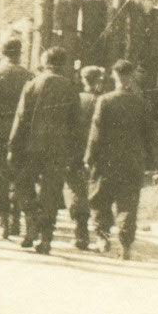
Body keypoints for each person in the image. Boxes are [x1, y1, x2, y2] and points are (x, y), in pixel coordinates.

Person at [8, 47, 84, 255]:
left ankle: (31, 220)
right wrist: (76, 153)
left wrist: (13, 147)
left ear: (44, 62)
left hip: (32, 147)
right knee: (51, 191)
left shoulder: (32, 84)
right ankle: (46, 239)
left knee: (23, 183)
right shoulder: (70, 88)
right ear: (63, 64)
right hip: (59, 149)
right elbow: (76, 125)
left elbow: (21, 118)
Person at [87, 59, 150, 260]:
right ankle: (125, 244)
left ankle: (103, 238)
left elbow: (96, 133)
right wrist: (148, 161)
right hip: (132, 160)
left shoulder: (105, 100)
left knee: (100, 199)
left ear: (114, 76)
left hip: (106, 160)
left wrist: (89, 157)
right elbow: (148, 135)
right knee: (128, 203)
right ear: (131, 76)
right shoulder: (141, 103)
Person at [0, 39, 31, 238]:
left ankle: (3, 223)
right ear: (19, 53)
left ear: (2, 53)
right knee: (20, 177)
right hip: (22, 132)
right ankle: (16, 220)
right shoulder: (28, 75)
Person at [70, 65, 108, 249]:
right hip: (100, 152)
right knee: (99, 191)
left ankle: (81, 234)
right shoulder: (105, 100)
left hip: (77, 151)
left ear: (83, 80)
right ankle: (102, 235)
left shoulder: (76, 99)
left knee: (77, 190)